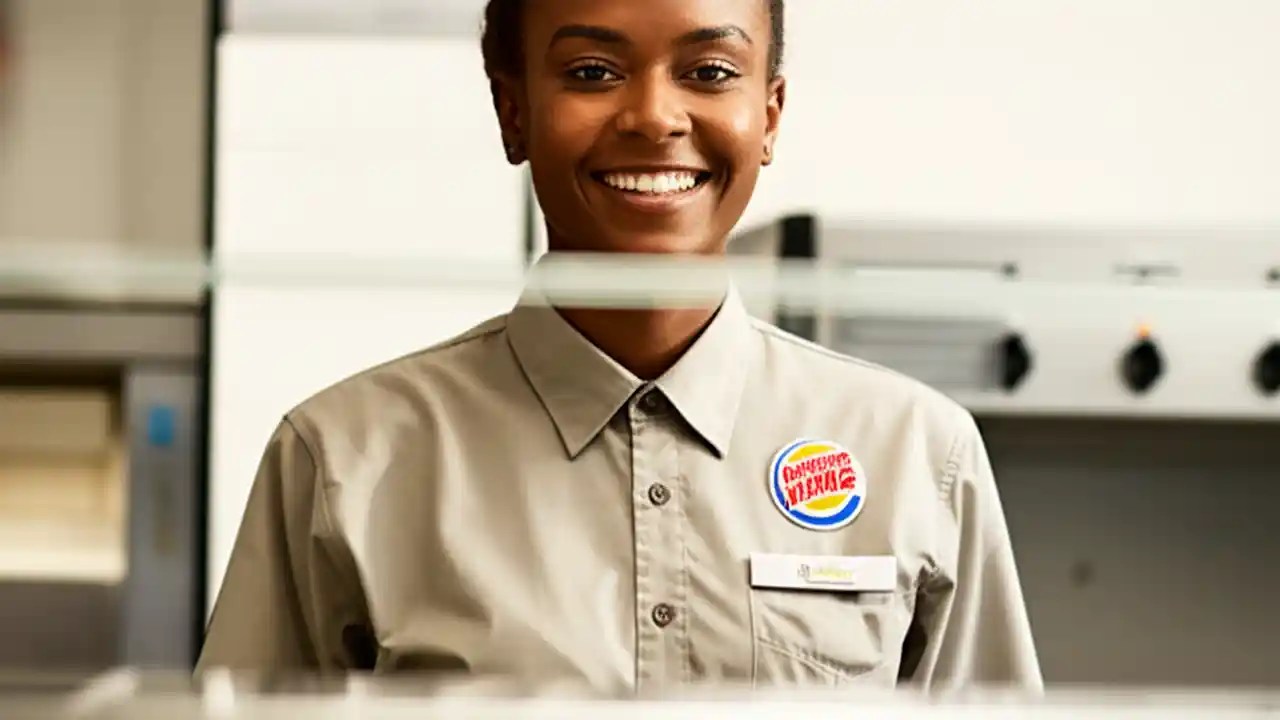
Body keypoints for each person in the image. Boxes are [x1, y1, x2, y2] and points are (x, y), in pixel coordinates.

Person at [198, 0, 1042, 694]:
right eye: (593, 73)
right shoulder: (345, 459)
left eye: (709, 72)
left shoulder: (917, 454)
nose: (653, 117)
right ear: (513, 110)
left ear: (770, 115)